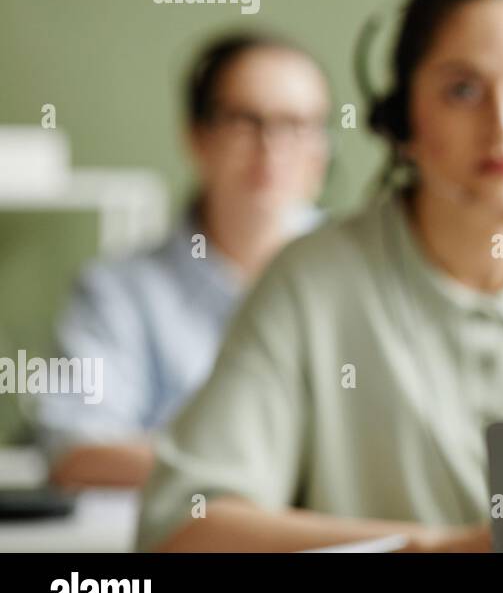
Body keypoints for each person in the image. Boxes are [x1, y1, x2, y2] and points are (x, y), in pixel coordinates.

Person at [136, 0, 503, 552]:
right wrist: (437, 550)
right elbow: (184, 528)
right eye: (463, 90)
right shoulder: (311, 282)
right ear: (404, 119)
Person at [37, 33, 331, 488]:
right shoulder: (117, 291)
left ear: (322, 149)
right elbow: (77, 450)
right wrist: (269, 468)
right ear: (196, 136)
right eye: (244, 120)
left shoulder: (363, 274)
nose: (271, 147)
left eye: (296, 124)